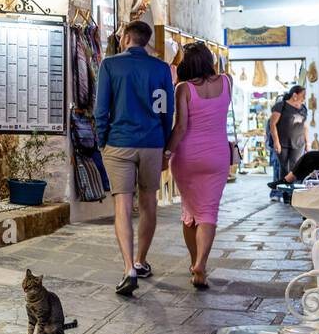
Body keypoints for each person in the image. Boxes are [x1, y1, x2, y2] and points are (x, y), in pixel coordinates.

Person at [94, 20, 174, 297]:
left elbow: (101, 109)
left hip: (118, 143)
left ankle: (128, 267)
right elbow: (166, 110)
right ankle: (141, 260)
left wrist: (102, 140)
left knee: (122, 206)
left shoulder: (110, 65)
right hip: (152, 142)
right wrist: (165, 146)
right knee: (149, 201)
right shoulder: (161, 69)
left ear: (126, 37)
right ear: (146, 40)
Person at [164, 43, 231, 289]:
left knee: (190, 211)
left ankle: (195, 262)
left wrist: (167, 151)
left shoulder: (184, 88)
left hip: (187, 157)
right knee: (209, 212)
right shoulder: (227, 82)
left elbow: (180, 127)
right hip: (218, 156)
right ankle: (201, 263)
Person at [269, 85, 309, 193]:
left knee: (294, 168)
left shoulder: (303, 108)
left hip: (298, 143)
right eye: (303, 94)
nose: (305, 97)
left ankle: (291, 192)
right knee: (283, 168)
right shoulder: (281, 106)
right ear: (295, 95)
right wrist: (276, 142)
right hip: (283, 143)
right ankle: (282, 192)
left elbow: (305, 126)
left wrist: (307, 143)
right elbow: (272, 124)